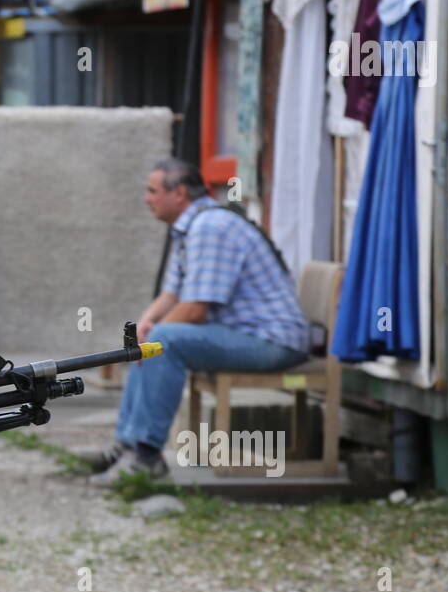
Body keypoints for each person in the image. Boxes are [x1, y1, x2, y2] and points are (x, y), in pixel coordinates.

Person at [83, 158, 310, 484]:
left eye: (152, 191)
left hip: (273, 341)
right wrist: (143, 325)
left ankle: (145, 456)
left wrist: (155, 335)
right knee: (147, 341)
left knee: (163, 342)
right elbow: (172, 293)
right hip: (241, 334)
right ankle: (126, 445)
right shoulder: (190, 226)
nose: (146, 198)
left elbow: (195, 310)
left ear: (178, 194)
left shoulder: (210, 227)